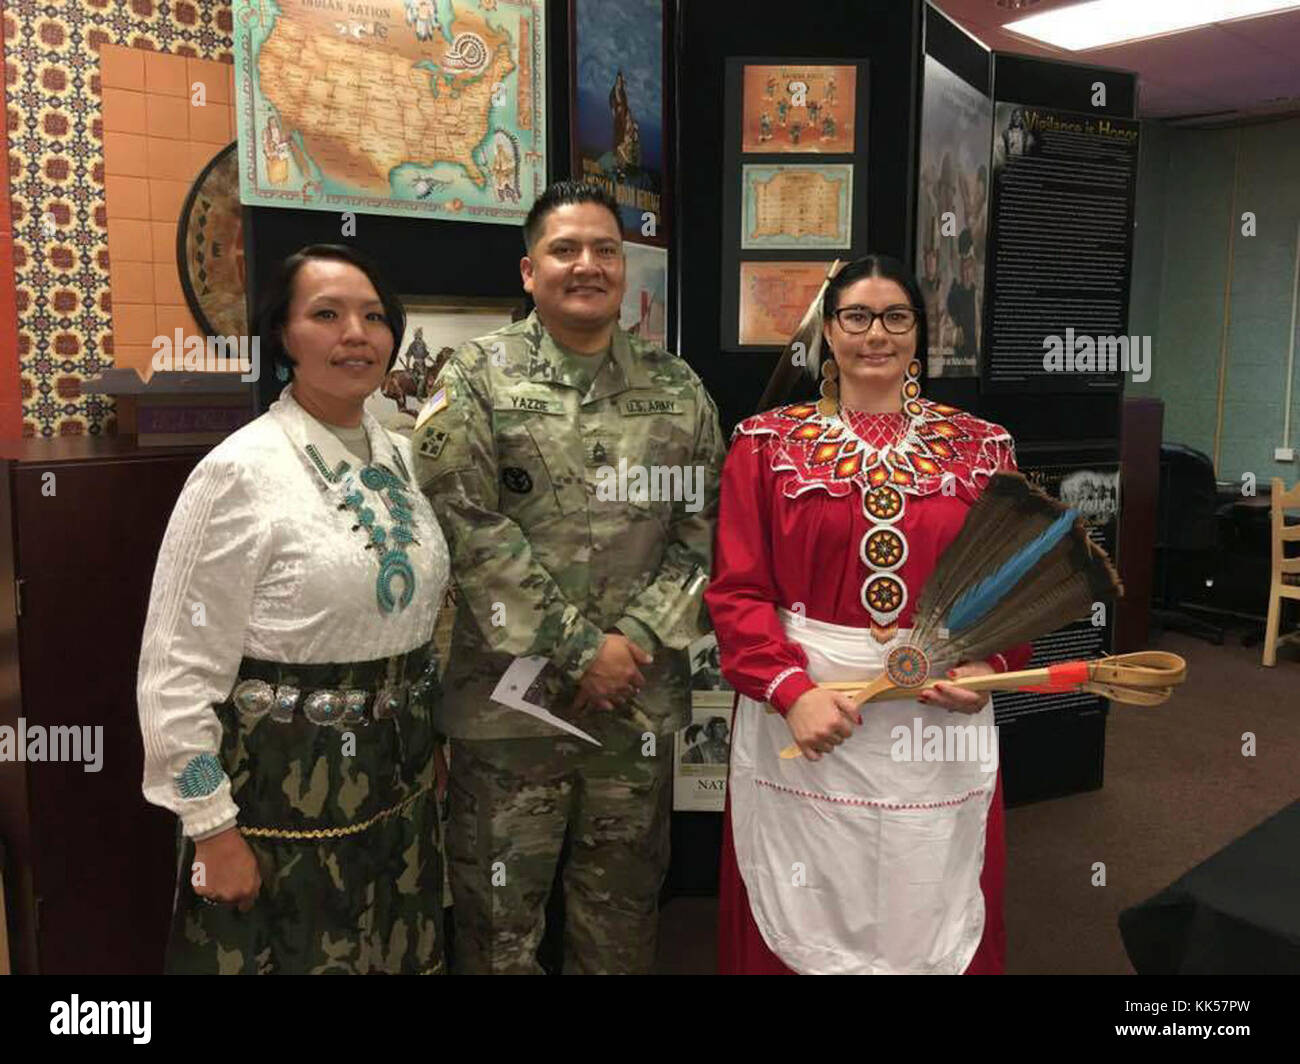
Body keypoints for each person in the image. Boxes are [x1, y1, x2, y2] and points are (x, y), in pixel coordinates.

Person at [414, 181, 725, 974]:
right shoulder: (475, 378)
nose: (586, 265)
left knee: (620, 918)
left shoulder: (679, 389)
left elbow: (706, 534)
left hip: (634, 709)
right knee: (497, 926)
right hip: (510, 716)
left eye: (605, 250)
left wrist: (635, 641)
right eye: (564, 250)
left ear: (625, 268)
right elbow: (469, 529)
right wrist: (583, 650)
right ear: (528, 270)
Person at [705, 254, 1031, 975]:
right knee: (800, 893)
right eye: (856, 316)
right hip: (805, 713)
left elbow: (1012, 581)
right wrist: (790, 691)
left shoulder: (984, 448)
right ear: (829, 330)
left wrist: (989, 666)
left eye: (895, 317)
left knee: (933, 892)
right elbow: (737, 591)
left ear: (920, 334)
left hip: (937, 714)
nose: (874, 334)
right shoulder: (764, 446)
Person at [137, 244, 450, 974]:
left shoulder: (402, 459)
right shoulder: (239, 472)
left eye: (374, 316)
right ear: (283, 334)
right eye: (327, 314)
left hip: (397, 795)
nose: (357, 334)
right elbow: (173, 673)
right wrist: (211, 828)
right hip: (274, 805)